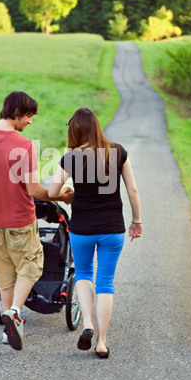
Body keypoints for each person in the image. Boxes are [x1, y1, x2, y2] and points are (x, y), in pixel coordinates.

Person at [0, 91, 73, 351]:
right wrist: (60, 195)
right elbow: (32, 189)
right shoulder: (24, 145)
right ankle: (16, 311)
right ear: (18, 112)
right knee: (31, 265)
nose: (30, 122)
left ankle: (10, 331)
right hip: (19, 220)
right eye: (29, 116)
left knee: (5, 277)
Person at [48, 107, 142, 359]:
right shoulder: (117, 151)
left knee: (83, 274)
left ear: (75, 130)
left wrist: (67, 194)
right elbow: (133, 191)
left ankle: (87, 323)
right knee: (105, 284)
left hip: (82, 228)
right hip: (112, 228)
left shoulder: (71, 157)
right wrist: (137, 221)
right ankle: (101, 342)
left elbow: (51, 191)